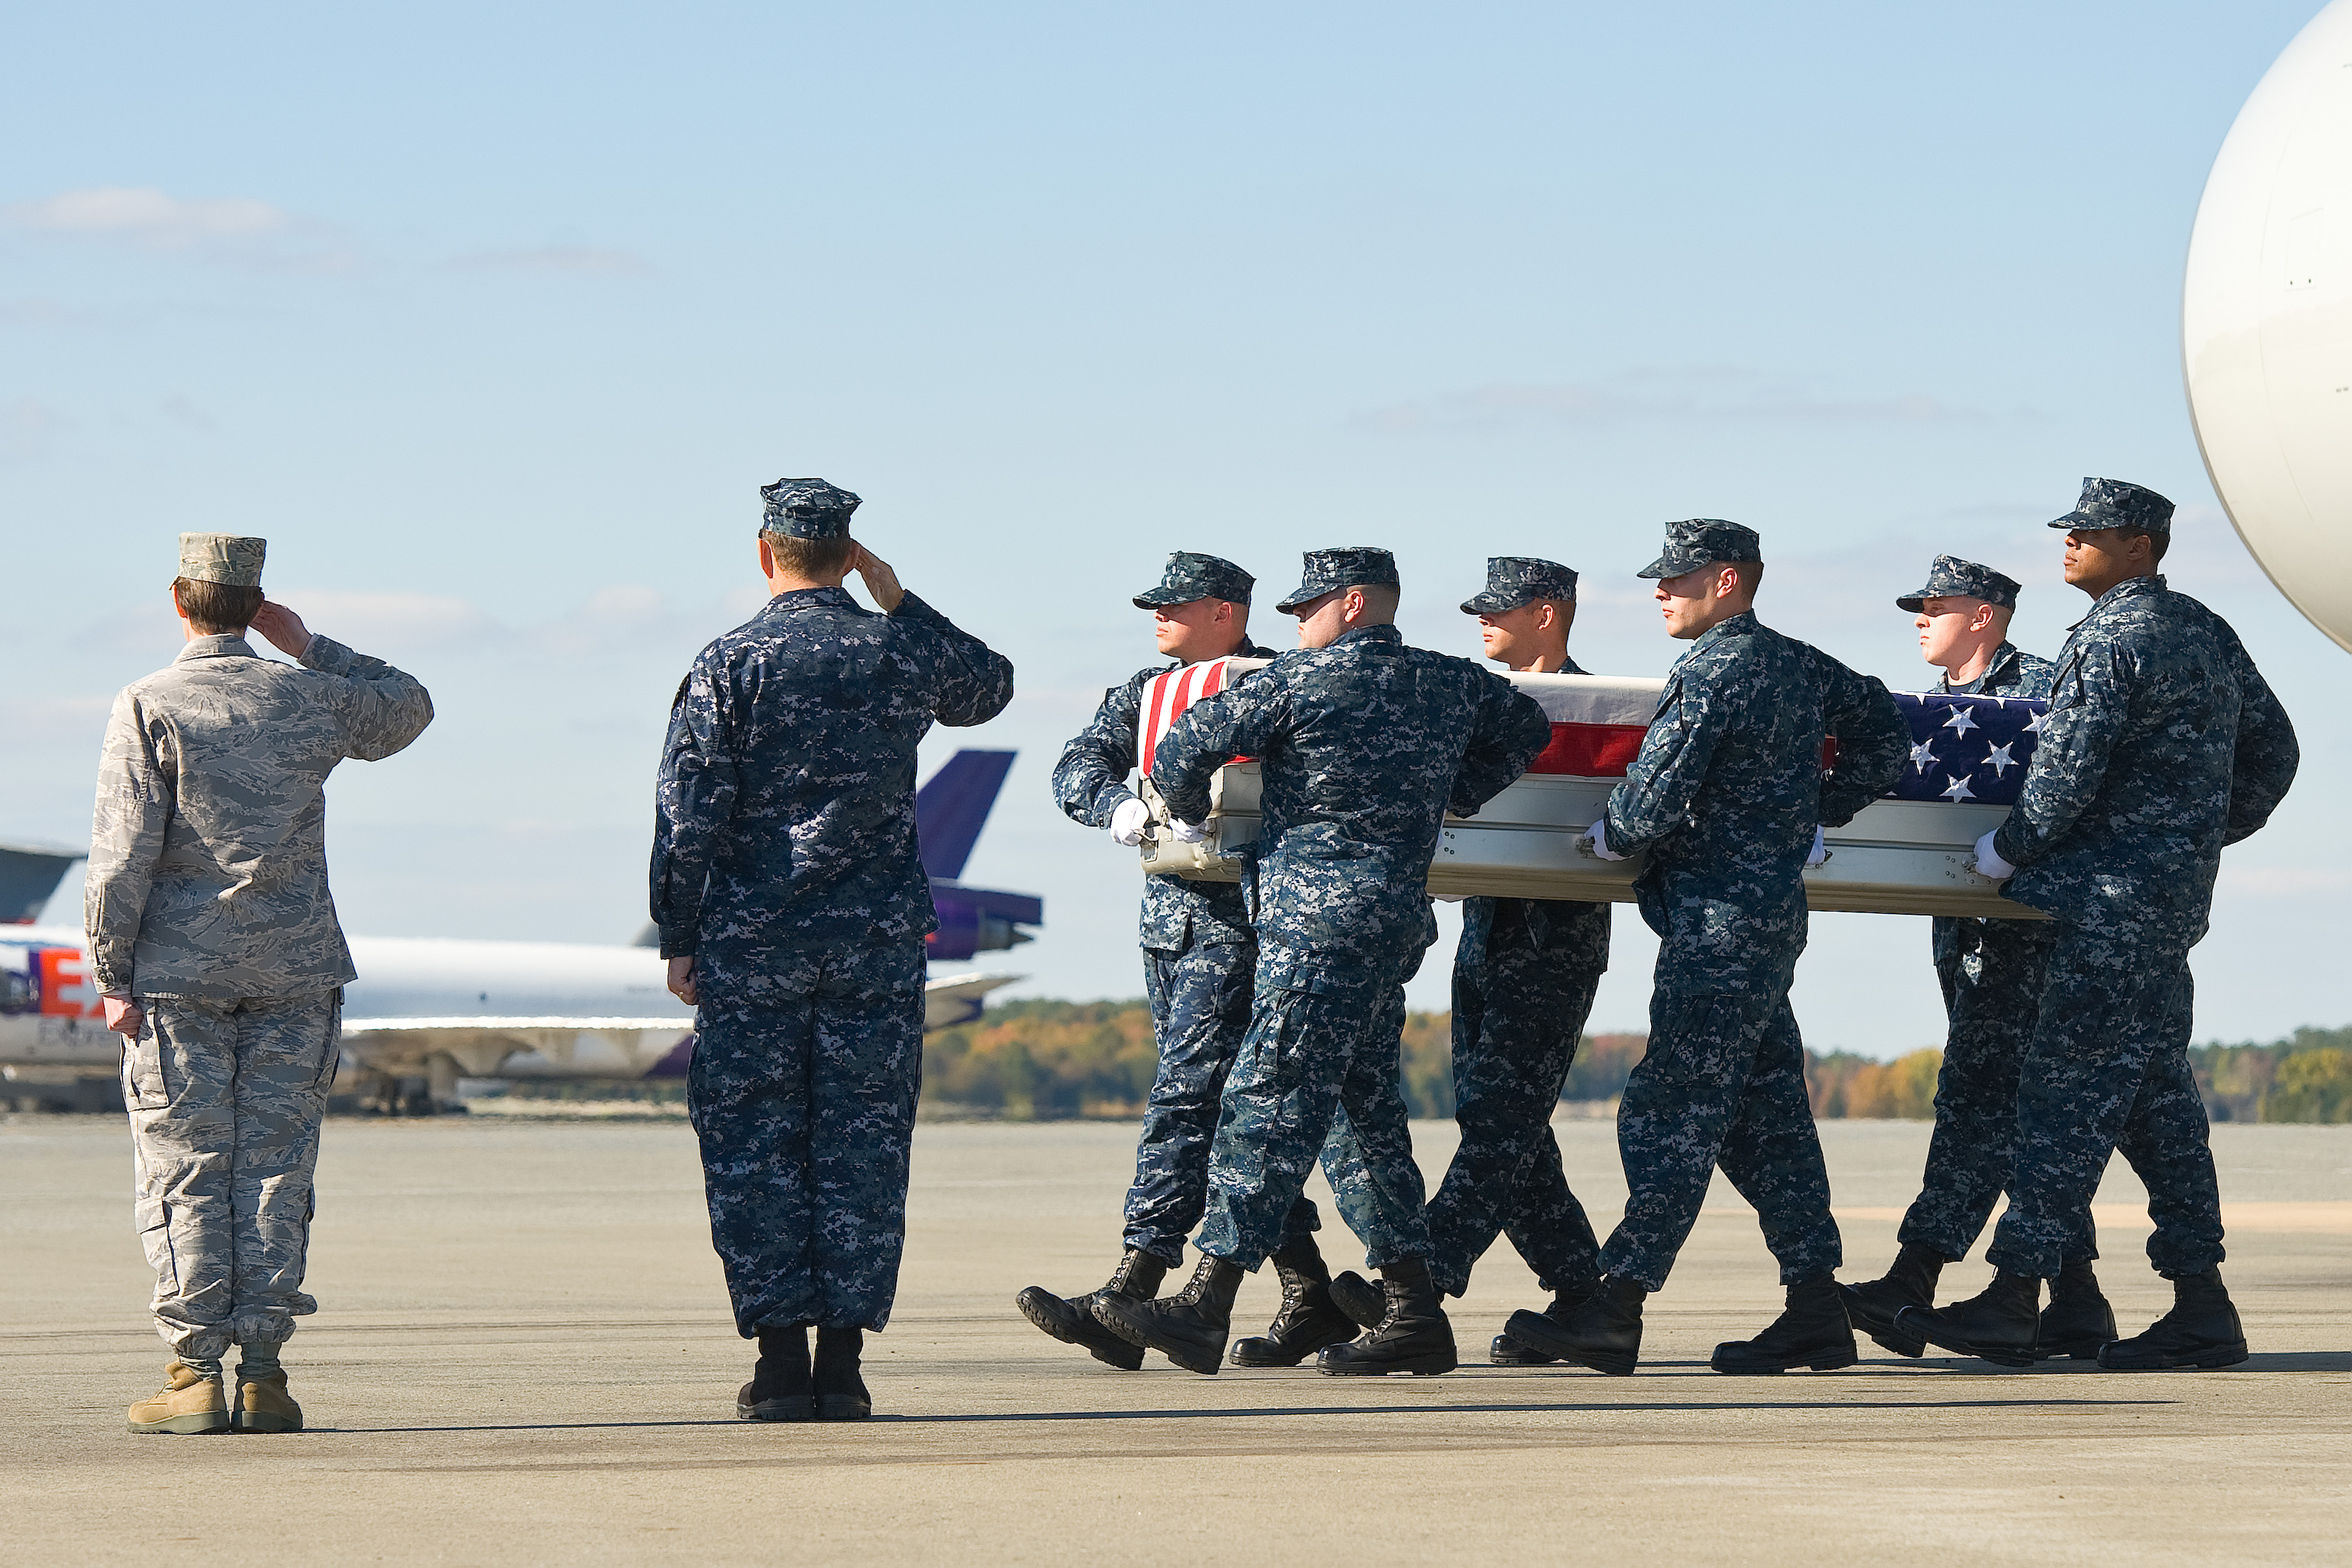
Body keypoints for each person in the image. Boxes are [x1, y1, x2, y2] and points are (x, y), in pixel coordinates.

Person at [1091, 547, 1552, 1377]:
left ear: (1349, 604)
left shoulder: (1298, 682)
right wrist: (1460, 791)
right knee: (1366, 1111)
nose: (1297, 626)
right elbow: (1529, 727)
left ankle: (1207, 1298)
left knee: (1265, 1099)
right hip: (1393, 925)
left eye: (1306, 610)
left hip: (1312, 930)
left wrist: (1194, 825)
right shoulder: (1451, 682)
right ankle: (1413, 1310)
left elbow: (1181, 749)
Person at [1899, 480, 2296, 1370]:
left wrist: (2012, 848)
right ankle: (2202, 1304)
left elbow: (2066, 771)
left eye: (2091, 532)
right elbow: (2277, 749)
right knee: (2156, 1107)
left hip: (2105, 906)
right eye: (2070, 530)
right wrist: (2195, 835)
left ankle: (2014, 1298)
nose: (2069, 541)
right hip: (2164, 904)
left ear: (2143, 546)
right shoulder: (2206, 631)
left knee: (2060, 1095)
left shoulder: (2113, 637)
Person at [1504, 519, 1908, 1376]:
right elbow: (1886, 733)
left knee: (1667, 1116)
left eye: (1678, 580)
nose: (1661, 591)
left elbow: (1653, 797)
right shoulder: (1800, 665)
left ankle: (1615, 1307)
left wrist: (1612, 838)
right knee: (1771, 1126)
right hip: (1766, 919)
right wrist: (1814, 810)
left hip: (1718, 928)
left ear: (1728, 582)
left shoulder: (1712, 675)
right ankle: (1815, 1311)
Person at [652, 477, 1013, 1420]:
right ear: (849, 553)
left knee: (753, 1145)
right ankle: (843, 1363)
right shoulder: (898, 652)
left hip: (755, 942)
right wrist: (899, 599)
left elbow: (688, 816)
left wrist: (681, 934)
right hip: (873, 946)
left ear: (764, 552)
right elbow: (990, 686)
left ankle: (779, 1363)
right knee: (863, 1142)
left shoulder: (730, 662)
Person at [93, 533, 434, 1435]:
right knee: (278, 1168)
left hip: (177, 977)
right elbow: (410, 707)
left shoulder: (150, 702)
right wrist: (311, 644)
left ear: (179, 600)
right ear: (254, 604)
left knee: (185, 1170)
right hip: (295, 972)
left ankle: (193, 1374)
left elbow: (123, 853)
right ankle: (268, 1375)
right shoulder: (310, 694)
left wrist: (109, 971)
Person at [1022, 553, 1356, 1372]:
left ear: (1227, 613)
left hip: (1249, 926)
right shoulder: (1146, 690)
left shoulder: (1287, 683)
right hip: (1170, 930)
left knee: (1189, 1102)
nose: (1158, 617)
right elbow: (1076, 766)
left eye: (1175, 605)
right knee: (1219, 1118)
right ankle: (1307, 1289)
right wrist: (1116, 805)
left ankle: (1133, 1286)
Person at [1324, 557, 1614, 1365]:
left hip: (1556, 938)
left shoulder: (1595, 711)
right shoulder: (1481, 706)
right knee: (1509, 1129)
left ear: (1549, 614)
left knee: (1501, 1127)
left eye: (1502, 608)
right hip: (1487, 928)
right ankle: (1586, 1297)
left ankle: (1421, 1286)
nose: (1483, 622)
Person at [1841, 557, 2117, 1362]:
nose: (1921, 619)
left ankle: (1916, 1274)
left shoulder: (2041, 687)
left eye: (1938, 607)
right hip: (1966, 936)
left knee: (1979, 1107)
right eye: (1917, 609)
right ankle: (2076, 1299)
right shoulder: (1937, 708)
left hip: (2021, 941)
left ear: (1988, 615)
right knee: (2022, 1120)